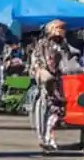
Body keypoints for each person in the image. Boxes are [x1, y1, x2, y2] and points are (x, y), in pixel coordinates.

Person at [30, 19, 73, 150]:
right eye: (58, 28)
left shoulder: (64, 45)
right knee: (43, 109)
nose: (61, 31)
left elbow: (68, 61)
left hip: (60, 82)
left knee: (57, 111)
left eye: (62, 28)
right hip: (45, 83)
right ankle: (43, 137)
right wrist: (41, 71)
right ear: (50, 29)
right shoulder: (42, 44)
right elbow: (36, 60)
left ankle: (50, 136)